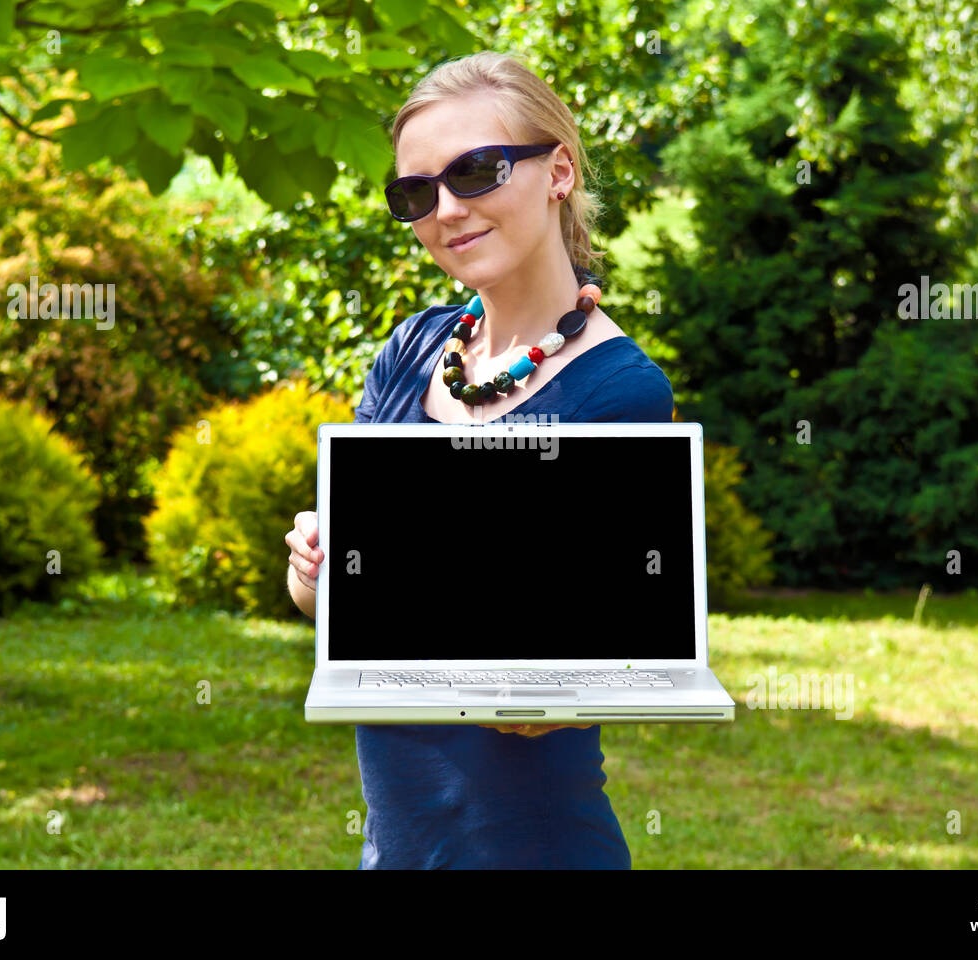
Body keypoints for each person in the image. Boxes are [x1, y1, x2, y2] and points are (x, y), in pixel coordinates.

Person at [285, 51, 675, 869]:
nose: (447, 210)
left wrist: (546, 686)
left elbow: (585, 661)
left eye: (476, 171)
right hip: (395, 847)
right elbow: (344, 606)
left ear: (558, 170)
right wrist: (316, 572)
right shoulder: (411, 350)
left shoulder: (619, 392)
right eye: (417, 192)